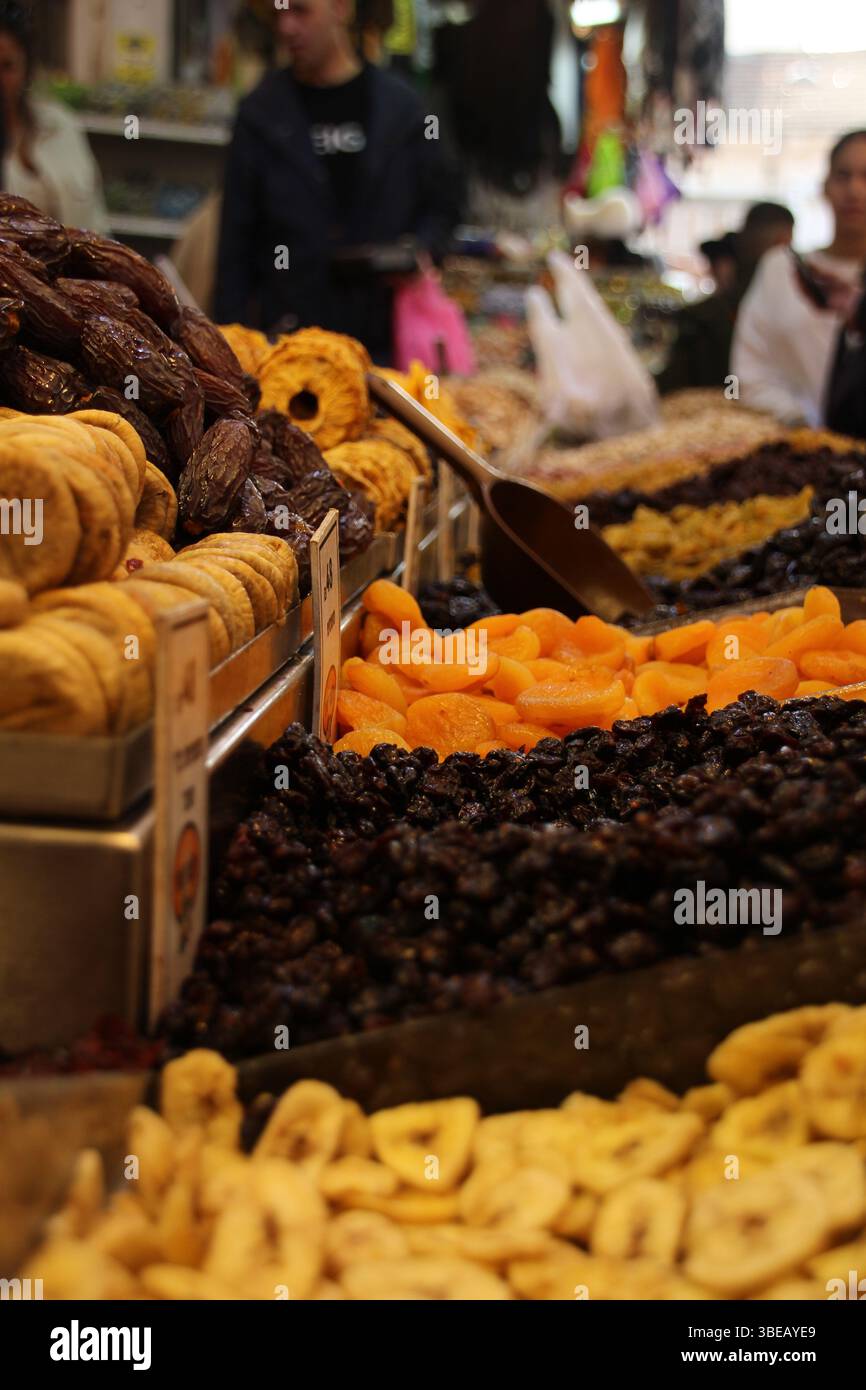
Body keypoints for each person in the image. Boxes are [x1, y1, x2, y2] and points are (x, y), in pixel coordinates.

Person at [214, 0, 459, 362]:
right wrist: (229, 356)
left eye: (300, 11)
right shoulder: (260, 115)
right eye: (279, 14)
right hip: (290, 351)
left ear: (341, 7)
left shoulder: (403, 110)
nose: (287, 28)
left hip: (383, 349)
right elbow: (234, 249)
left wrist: (418, 252)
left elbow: (444, 207)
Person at [732, 132, 866, 427]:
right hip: (794, 452)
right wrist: (799, 423)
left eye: (865, 176)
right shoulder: (781, 270)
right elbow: (750, 373)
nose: (854, 190)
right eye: (843, 176)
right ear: (826, 186)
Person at [659, 202, 794, 395]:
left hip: (706, 413)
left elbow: (673, 388)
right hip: (755, 414)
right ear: (784, 241)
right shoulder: (788, 309)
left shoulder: (701, 315)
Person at [0, 1, 107, 230]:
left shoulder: (61, 125)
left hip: (69, 264)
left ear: (26, 68)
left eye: (7, 66)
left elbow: (96, 220)